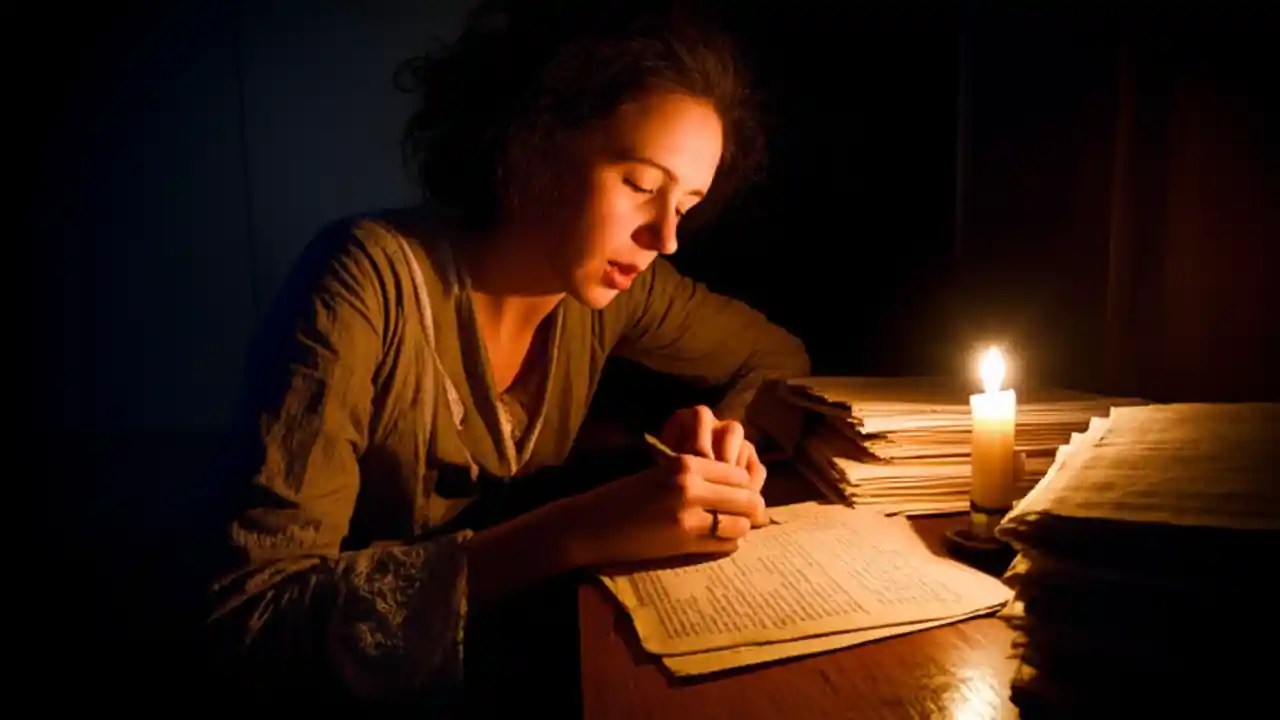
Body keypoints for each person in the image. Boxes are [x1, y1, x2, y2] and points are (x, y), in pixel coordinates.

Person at [206, 0, 809, 710]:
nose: (666, 237)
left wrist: (717, 444)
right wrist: (583, 527)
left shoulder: (620, 292)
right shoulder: (365, 283)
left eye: (688, 203)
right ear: (533, 143)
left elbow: (777, 356)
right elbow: (252, 620)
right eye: (642, 185)